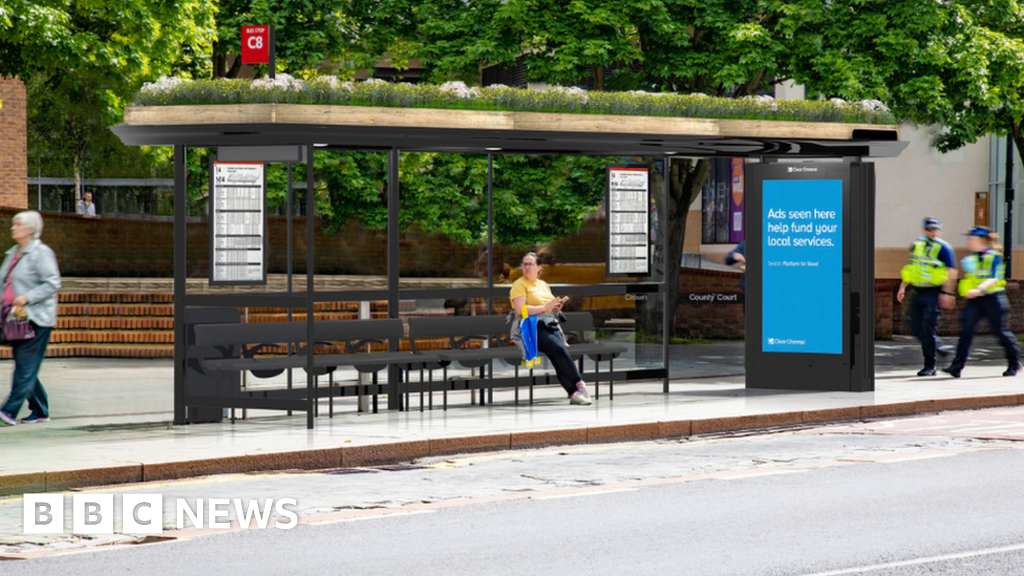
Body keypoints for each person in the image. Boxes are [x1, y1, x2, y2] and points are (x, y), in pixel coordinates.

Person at [0, 211, 61, 425]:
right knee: (25, 364)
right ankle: (40, 410)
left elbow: (53, 283)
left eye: (17, 224)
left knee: (25, 364)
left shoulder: (41, 253)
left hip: (36, 318)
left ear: (30, 229)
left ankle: (8, 411)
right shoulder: (13, 253)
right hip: (14, 317)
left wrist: (28, 297)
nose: (12, 228)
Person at [509, 252, 592, 405]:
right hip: (530, 326)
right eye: (524, 264)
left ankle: (574, 393)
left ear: (539, 267)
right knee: (559, 349)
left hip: (548, 323)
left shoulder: (542, 285)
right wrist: (544, 307)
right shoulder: (519, 284)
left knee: (557, 355)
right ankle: (579, 383)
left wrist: (556, 306)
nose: (527, 267)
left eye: (530, 264)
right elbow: (520, 311)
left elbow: (549, 308)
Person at [942, 226, 1020, 378]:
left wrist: (978, 289)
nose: (968, 242)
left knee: (1000, 332)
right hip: (976, 301)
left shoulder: (994, 257)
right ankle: (956, 366)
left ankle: (1014, 363)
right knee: (966, 331)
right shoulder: (972, 258)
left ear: (982, 240)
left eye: (972, 239)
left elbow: (993, 278)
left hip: (994, 299)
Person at [897, 217, 958, 376]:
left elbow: (951, 272)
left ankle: (930, 366)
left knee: (927, 328)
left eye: (936, 229)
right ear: (924, 229)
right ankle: (940, 348)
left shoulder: (944, 248)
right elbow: (911, 267)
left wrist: (947, 293)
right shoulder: (917, 245)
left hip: (934, 293)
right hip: (918, 292)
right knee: (914, 326)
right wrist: (902, 287)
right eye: (930, 229)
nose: (933, 232)